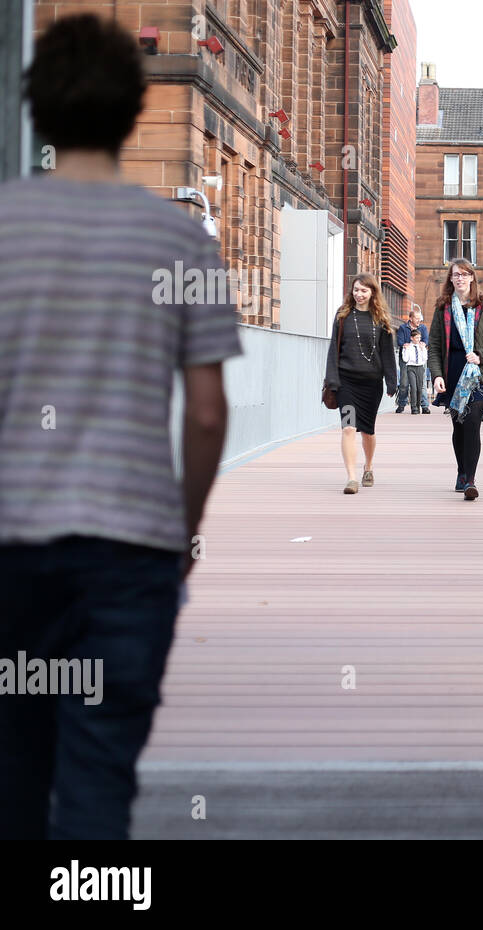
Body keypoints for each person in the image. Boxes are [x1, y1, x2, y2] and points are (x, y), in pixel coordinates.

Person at [0, 14, 240, 839]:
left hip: (12, 551)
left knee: (13, 775)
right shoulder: (183, 243)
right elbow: (207, 413)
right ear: (136, 110)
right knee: (101, 780)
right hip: (131, 554)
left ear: (37, 107)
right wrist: (185, 530)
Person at [428, 258, 483, 501]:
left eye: (464, 274)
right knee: (458, 427)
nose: (460, 278)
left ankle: (471, 480)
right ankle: (461, 471)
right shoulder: (443, 308)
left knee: (472, 422)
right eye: (455, 274)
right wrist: (437, 375)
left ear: (472, 277)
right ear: (450, 279)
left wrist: (480, 355)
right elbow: (435, 346)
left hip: (478, 374)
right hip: (452, 372)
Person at [324, 273, 397, 493]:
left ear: (373, 292)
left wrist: (392, 381)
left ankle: (368, 466)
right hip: (346, 382)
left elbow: (387, 354)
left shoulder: (381, 319)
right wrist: (332, 379)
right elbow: (333, 350)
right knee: (348, 428)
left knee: (367, 431)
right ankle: (352, 478)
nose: (359, 294)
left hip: (371, 384)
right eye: (356, 290)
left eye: (364, 290)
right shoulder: (343, 315)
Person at [394, 309, 428, 413]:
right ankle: (401, 404)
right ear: (410, 318)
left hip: (420, 360)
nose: (419, 320)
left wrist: (424, 344)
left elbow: (426, 339)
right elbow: (399, 341)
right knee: (404, 383)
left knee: (422, 384)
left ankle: (424, 406)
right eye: (417, 318)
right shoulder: (403, 328)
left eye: (420, 318)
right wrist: (404, 344)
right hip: (407, 359)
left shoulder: (423, 328)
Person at [401, 328, 430, 414]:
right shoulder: (408, 346)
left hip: (420, 367)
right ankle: (413, 408)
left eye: (419, 338)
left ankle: (418, 406)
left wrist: (423, 349)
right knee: (413, 387)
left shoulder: (422, 347)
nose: (418, 339)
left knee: (419, 388)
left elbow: (425, 359)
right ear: (412, 338)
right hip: (411, 368)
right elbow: (405, 359)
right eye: (417, 338)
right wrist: (405, 350)